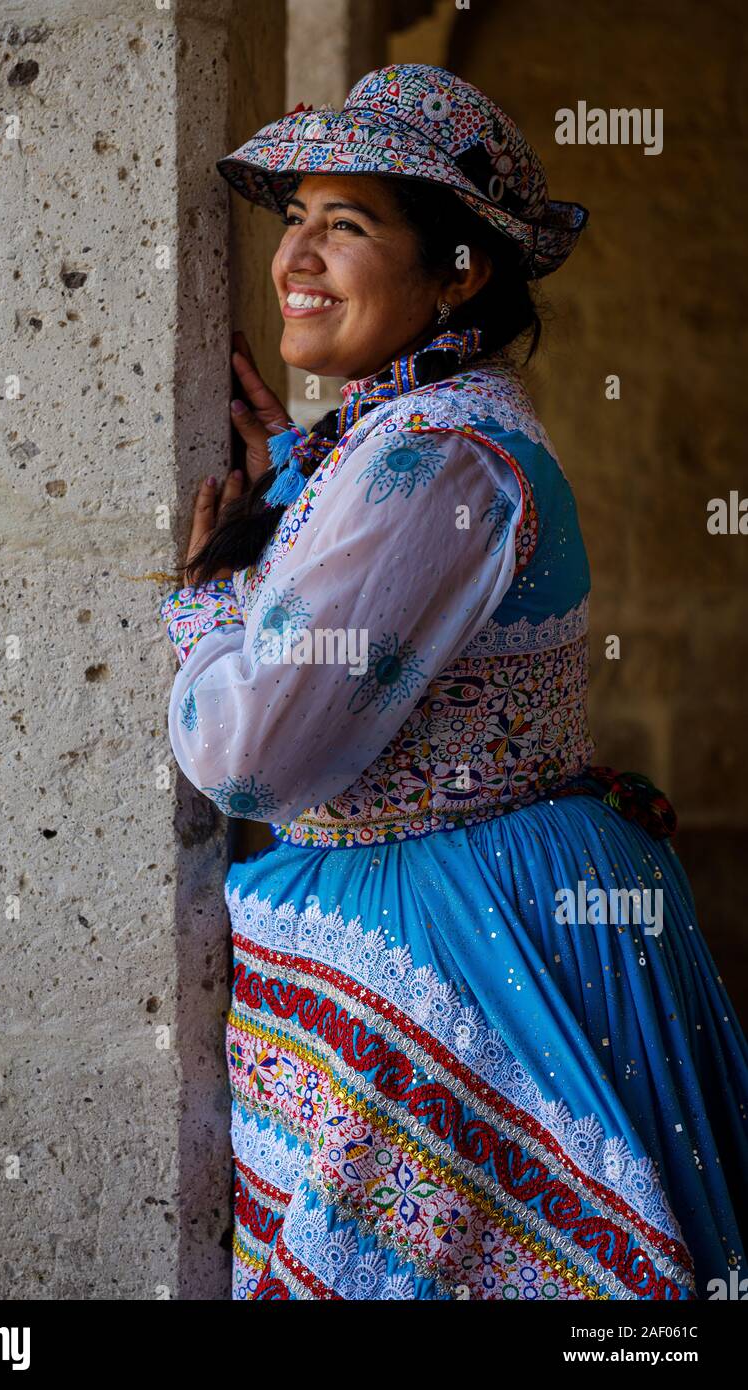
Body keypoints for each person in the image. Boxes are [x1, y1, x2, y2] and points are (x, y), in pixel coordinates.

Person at [160, 64, 748, 1301]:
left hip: (461, 946)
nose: (294, 258)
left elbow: (251, 756)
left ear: (459, 271)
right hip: (484, 906)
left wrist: (209, 600)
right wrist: (288, 489)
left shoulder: (436, 458)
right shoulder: (413, 434)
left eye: (347, 224)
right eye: (295, 219)